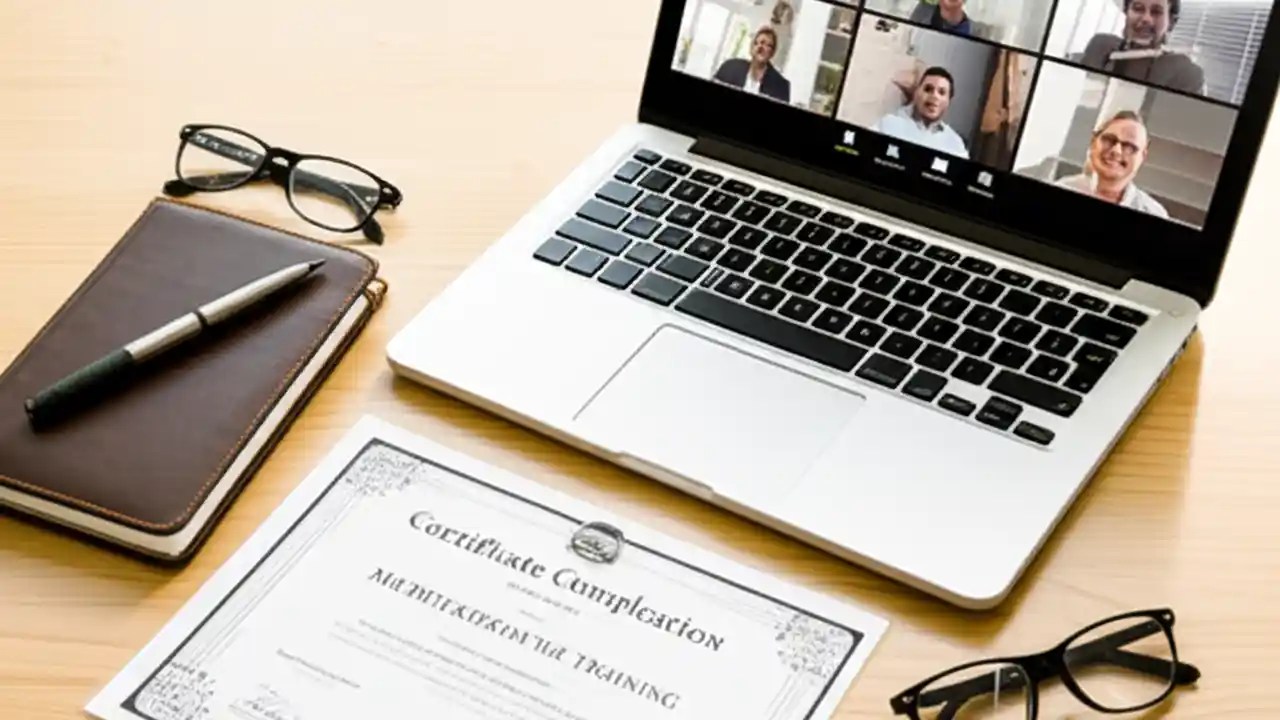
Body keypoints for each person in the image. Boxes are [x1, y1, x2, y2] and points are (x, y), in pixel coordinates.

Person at [1055, 110, 1170, 218]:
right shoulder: (1061, 191)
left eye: (1129, 147)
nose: (1116, 151)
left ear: (1142, 157)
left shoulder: (1154, 214)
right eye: (1109, 139)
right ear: (1093, 142)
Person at [1077, 0, 1205, 95]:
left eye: (1156, 12)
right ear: (1126, 13)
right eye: (1138, 8)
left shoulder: (1186, 73)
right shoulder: (1100, 46)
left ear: (1171, 22)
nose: (1146, 18)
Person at [872, 66, 970, 158]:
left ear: (949, 101)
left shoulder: (956, 146)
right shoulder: (886, 124)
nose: (934, 96)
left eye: (942, 92)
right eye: (928, 89)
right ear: (917, 93)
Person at [712, 26, 792, 103]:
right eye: (759, 43)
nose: (761, 47)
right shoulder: (730, 67)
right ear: (752, 47)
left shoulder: (781, 86)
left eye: (768, 45)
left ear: (772, 53)